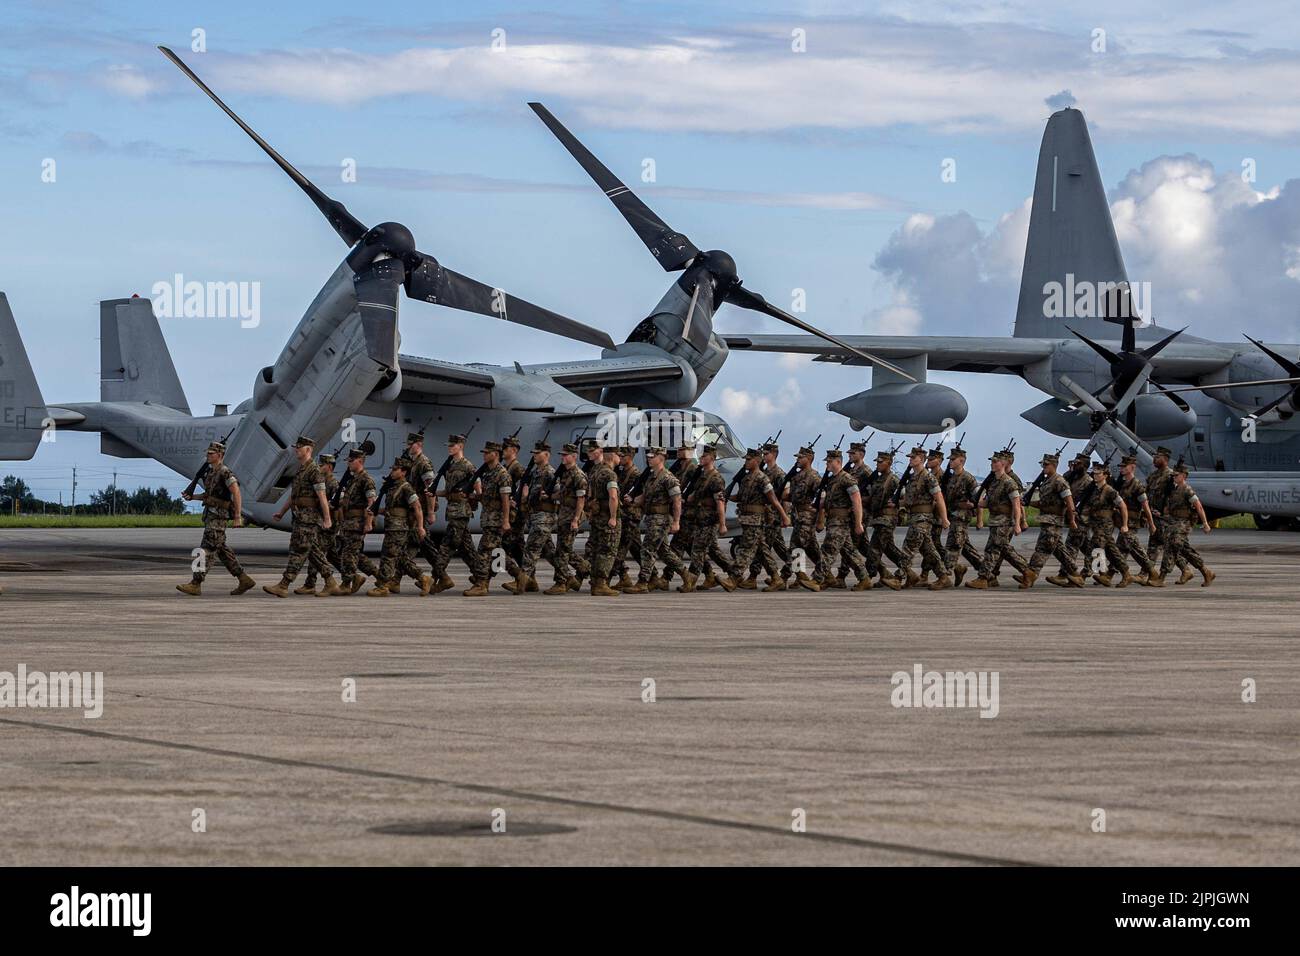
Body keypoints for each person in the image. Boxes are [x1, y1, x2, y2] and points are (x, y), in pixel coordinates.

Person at [176, 440, 255, 596]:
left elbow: (236, 492)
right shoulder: (211, 473)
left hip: (219, 518)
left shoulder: (225, 472)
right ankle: (244, 579)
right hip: (211, 516)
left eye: (211, 453)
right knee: (222, 550)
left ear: (220, 455)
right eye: (208, 453)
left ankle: (195, 583)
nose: (208, 455)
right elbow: (209, 495)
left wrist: (237, 516)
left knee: (205, 550)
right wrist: (193, 497)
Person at [264, 436, 339, 597]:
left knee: (299, 550)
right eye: (296, 447)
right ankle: (330, 582)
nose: (296, 449)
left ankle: (284, 585)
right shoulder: (301, 470)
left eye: (300, 447)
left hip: (309, 519)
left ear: (308, 450)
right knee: (312, 551)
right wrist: (282, 512)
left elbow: (322, 497)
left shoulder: (314, 471)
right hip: (299, 517)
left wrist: (327, 519)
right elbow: (293, 496)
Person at [629, 447, 694, 592]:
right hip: (652, 518)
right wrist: (633, 500)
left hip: (661, 519)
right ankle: (687, 575)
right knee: (664, 552)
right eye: (649, 456)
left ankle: (643, 582)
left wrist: (676, 522)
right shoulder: (652, 477)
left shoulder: (668, 478)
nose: (649, 459)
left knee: (647, 549)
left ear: (661, 458)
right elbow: (645, 496)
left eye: (652, 457)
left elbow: (677, 501)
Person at [885, 445, 950, 590]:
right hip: (914, 516)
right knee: (928, 550)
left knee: (908, 547)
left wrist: (944, 518)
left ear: (921, 459)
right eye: (910, 457)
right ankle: (943, 577)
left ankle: (898, 578)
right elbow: (911, 500)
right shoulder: (912, 478)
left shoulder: (928, 477)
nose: (910, 459)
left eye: (913, 457)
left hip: (923, 518)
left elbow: (939, 498)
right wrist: (897, 503)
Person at [723, 448, 788, 592]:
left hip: (756, 520)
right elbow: (740, 497)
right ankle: (776, 579)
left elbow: (774, 500)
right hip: (746, 519)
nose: (745, 462)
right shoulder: (746, 478)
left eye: (748, 459)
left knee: (745, 549)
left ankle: (733, 578)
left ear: (757, 461)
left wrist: (784, 516)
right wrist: (727, 496)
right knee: (763, 551)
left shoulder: (762, 478)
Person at [965, 450, 1030, 589]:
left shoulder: (1009, 483)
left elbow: (1016, 505)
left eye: (995, 462)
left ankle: (984, 578)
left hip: (1004, 522)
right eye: (992, 461)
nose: (992, 464)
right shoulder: (994, 482)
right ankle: (1025, 572)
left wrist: (1018, 524)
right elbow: (988, 502)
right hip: (995, 521)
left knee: (996, 549)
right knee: (1000, 550)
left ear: (1003, 463)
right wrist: (975, 503)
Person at [367, 457, 431, 596]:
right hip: (392, 526)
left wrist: (420, 527)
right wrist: (376, 510)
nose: (392, 471)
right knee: (400, 558)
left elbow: (417, 507)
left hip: (398, 528)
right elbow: (392, 508)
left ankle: (383, 586)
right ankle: (423, 578)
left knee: (388, 555)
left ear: (403, 472)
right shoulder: (393, 487)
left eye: (395, 469)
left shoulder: (406, 487)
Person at [1022, 451, 1083, 588]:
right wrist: (1028, 502)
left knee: (1043, 548)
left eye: (1046, 465)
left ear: (1054, 465)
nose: (1043, 467)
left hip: (1054, 521)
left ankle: (1031, 573)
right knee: (1057, 549)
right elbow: (1043, 503)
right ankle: (1075, 574)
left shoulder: (1059, 481)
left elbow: (1069, 502)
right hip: (1046, 519)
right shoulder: (1046, 482)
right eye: (1043, 464)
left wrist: (1072, 520)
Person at [1147, 464, 1215, 587]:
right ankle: (1206, 572)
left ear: (1184, 476)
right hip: (1173, 522)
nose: (1174, 477)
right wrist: (1161, 514)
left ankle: (1161, 578)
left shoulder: (1187, 490)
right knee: (1185, 550)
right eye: (1173, 475)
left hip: (1183, 524)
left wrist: (1205, 523)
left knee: (1171, 546)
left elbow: (1199, 506)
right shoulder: (1174, 490)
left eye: (1176, 475)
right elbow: (1170, 509)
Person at [503, 440, 556, 594]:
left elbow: (559, 493)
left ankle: (521, 581)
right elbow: (526, 492)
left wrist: (549, 496)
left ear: (546, 455)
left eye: (537, 453)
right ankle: (567, 577)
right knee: (549, 552)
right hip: (533, 516)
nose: (534, 455)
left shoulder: (550, 472)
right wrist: (523, 498)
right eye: (534, 453)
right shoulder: (534, 472)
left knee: (530, 550)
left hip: (544, 517)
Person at [814, 448, 870, 590]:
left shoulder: (847, 479)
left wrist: (858, 523)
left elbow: (857, 501)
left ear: (838, 462)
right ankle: (864, 578)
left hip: (841, 521)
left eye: (830, 461)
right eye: (827, 461)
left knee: (828, 549)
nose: (827, 463)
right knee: (849, 552)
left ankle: (816, 579)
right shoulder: (833, 479)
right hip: (832, 520)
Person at [430, 434, 478, 594]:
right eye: (449, 445)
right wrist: (434, 493)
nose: (450, 448)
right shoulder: (449, 466)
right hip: (452, 510)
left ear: (461, 446)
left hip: (461, 512)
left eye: (453, 445)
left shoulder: (468, 466)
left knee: (446, 546)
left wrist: (473, 497)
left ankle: (436, 578)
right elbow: (449, 491)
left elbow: (477, 486)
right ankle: (481, 577)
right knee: (466, 549)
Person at [682, 445, 732, 591]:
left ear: (712, 458)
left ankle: (690, 580)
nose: (701, 458)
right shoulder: (701, 476)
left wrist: (722, 524)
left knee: (697, 549)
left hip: (710, 521)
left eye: (704, 456)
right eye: (701, 456)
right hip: (700, 519)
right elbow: (696, 494)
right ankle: (734, 573)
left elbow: (720, 503)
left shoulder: (716, 479)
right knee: (713, 551)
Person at [332, 446, 380, 594]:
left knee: (349, 554)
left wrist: (368, 523)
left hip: (358, 522)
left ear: (360, 461)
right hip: (349, 523)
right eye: (348, 461)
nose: (349, 463)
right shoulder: (353, 480)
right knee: (353, 554)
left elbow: (372, 502)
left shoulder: (366, 480)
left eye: (351, 461)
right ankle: (381, 577)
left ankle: (346, 584)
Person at [1079, 461, 1132, 587]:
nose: (1095, 475)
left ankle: (1083, 575)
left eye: (1098, 474)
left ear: (1105, 475)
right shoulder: (1096, 490)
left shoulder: (1109, 490)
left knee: (1093, 548)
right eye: (1094, 473)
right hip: (1096, 525)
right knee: (1112, 551)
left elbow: (1123, 506)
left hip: (1105, 525)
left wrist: (1125, 525)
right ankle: (1124, 574)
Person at [546, 442, 588, 595]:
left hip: (571, 518)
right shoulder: (566, 473)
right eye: (562, 455)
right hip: (563, 516)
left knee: (562, 552)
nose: (562, 457)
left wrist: (576, 519)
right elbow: (563, 494)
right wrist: (550, 496)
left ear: (574, 456)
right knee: (565, 550)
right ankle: (585, 568)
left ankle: (561, 582)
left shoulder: (578, 475)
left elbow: (581, 500)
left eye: (565, 455)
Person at [584, 443, 623, 596]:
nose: (620, 458)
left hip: (597, 516)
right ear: (613, 456)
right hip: (607, 517)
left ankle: (595, 582)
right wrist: (613, 517)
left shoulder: (596, 472)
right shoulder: (610, 474)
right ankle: (601, 584)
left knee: (596, 549)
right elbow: (613, 497)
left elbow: (589, 494)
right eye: (619, 455)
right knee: (608, 550)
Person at [300, 451, 341, 594]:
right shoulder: (321, 482)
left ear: (329, 467)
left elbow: (340, 503)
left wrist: (331, 509)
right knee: (332, 555)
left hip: (329, 525)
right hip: (321, 522)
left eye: (322, 465)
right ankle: (352, 577)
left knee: (317, 553)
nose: (319, 467)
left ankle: (311, 584)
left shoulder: (334, 484)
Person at [782, 444, 822, 591]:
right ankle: (805, 577)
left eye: (801, 457)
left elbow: (822, 498)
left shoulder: (814, 477)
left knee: (795, 547)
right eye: (797, 457)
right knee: (812, 549)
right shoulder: (796, 476)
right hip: (797, 517)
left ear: (809, 458)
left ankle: (782, 577)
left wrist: (820, 519)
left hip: (807, 517)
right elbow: (790, 496)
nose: (797, 459)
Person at [940, 446, 981, 586]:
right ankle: (987, 572)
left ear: (961, 461)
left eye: (953, 459)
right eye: (950, 459)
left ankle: (945, 575)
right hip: (953, 515)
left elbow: (978, 499)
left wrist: (977, 516)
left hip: (962, 517)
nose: (950, 462)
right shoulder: (951, 478)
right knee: (966, 548)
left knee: (953, 545)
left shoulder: (968, 478)